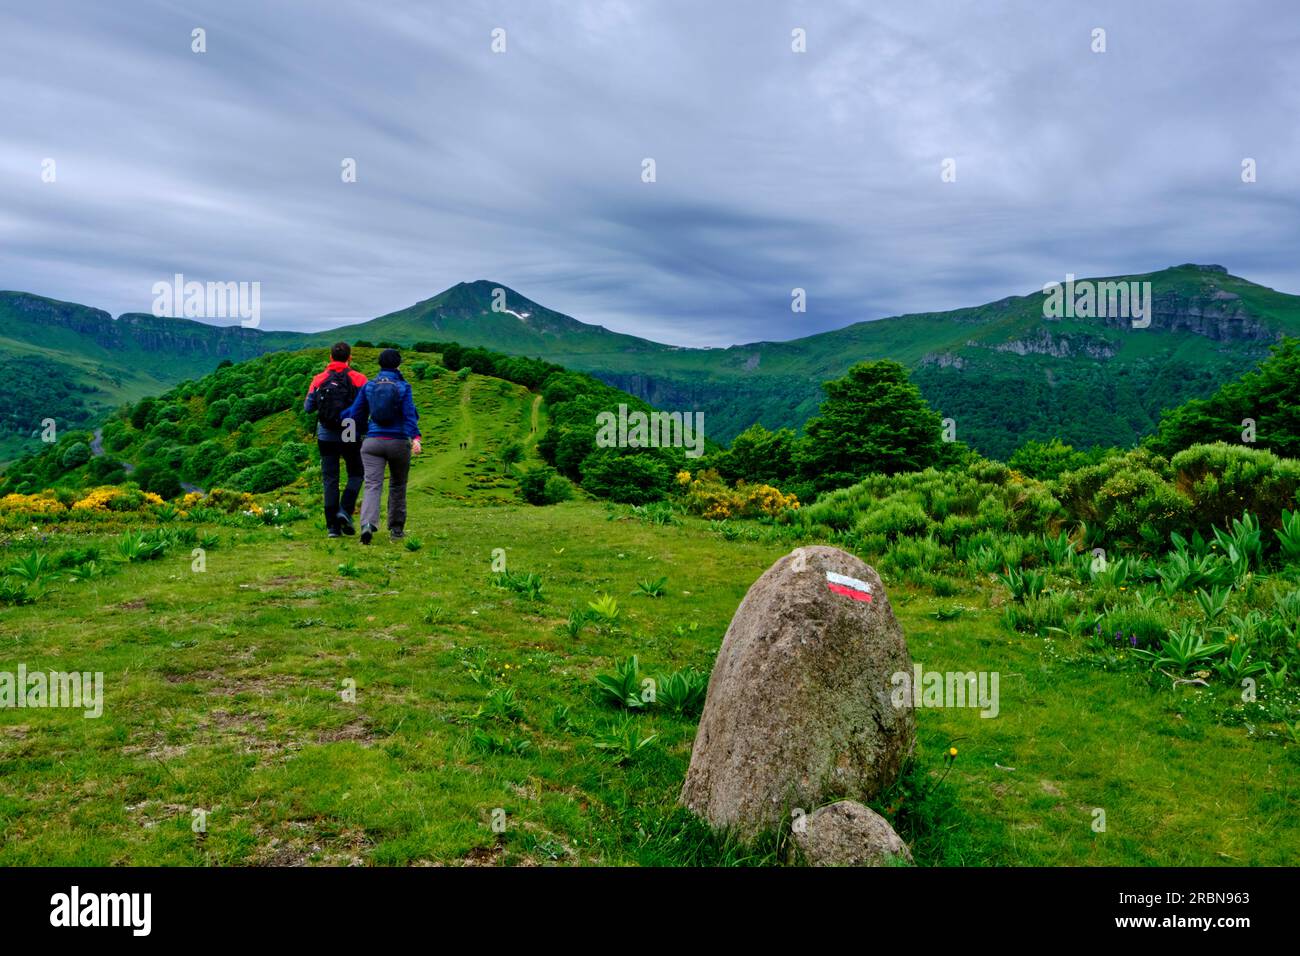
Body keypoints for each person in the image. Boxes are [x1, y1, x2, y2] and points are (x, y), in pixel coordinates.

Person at [341, 348, 422, 543]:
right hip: (398, 442)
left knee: (372, 485)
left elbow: (355, 413)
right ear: (398, 365)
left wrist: (341, 422)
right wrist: (416, 438)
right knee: (397, 485)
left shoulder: (369, 386)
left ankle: (367, 524)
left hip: (372, 442)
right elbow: (410, 414)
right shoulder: (403, 386)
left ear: (379, 364)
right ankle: (396, 529)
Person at [304, 342, 368, 538]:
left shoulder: (319, 379)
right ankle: (345, 511)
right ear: (350, 357)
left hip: (326, 432)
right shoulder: (359, 378)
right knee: (356, 473)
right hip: (349, 430)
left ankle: (332, 528)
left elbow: (308, 408)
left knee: (330, 479)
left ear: (330, 357)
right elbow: (368, 406)